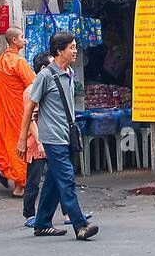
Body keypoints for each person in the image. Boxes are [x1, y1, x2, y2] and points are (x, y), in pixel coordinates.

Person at [17, 32, 98, 241]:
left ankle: (43, 223)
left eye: (75, 47)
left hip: (67, 135)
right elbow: (29, 109)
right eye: (71, 47)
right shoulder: (45, 76)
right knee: (67, 179)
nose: (75, 51)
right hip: (52, 138)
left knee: (54, 180)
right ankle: (80, 225)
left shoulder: (70, 73)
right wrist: (22, 139)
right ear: (59, 51)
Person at [0, 27, 34, 197]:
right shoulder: (18, 62)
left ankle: (3, 170)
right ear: (14, 41)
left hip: (4, 110)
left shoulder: (0, 60)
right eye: (22, 37)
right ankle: (20, 185)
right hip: (18, 110)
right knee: (20, 146)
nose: (24, 40)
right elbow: (33, 84)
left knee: (7, 143)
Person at [20, 51, 51, 228]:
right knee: (33, 179)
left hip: (50, 138)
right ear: (43, 69)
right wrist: (39, 141)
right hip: (35, 141)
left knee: (59, 177)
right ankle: (29, 214)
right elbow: (29, 118)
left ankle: (68, 212)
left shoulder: (48, 87)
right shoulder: (31, 91)